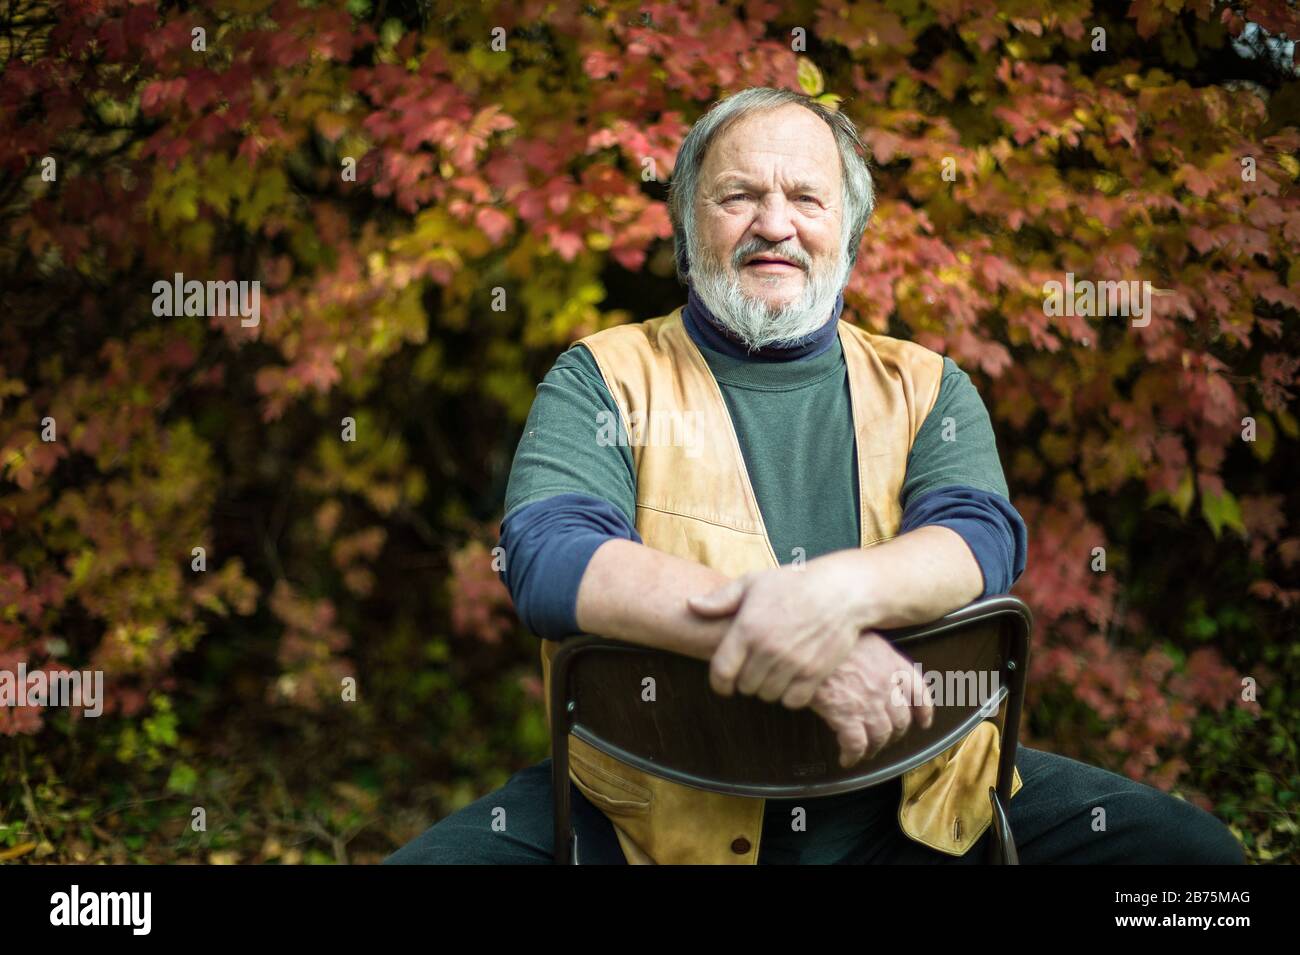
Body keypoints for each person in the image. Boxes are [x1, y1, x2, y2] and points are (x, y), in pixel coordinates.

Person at [386, 87, 1244, 865]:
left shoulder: (928, 385)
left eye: (805, 197)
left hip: (918, 806)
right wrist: (791, 634)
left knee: (1195, 865)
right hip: (646, 812)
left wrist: (827, 601)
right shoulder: (601, 375)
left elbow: (980, 539)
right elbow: (550, 556)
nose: (775, 223)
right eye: (739, 196)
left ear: (849, 231)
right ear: (689, 225)